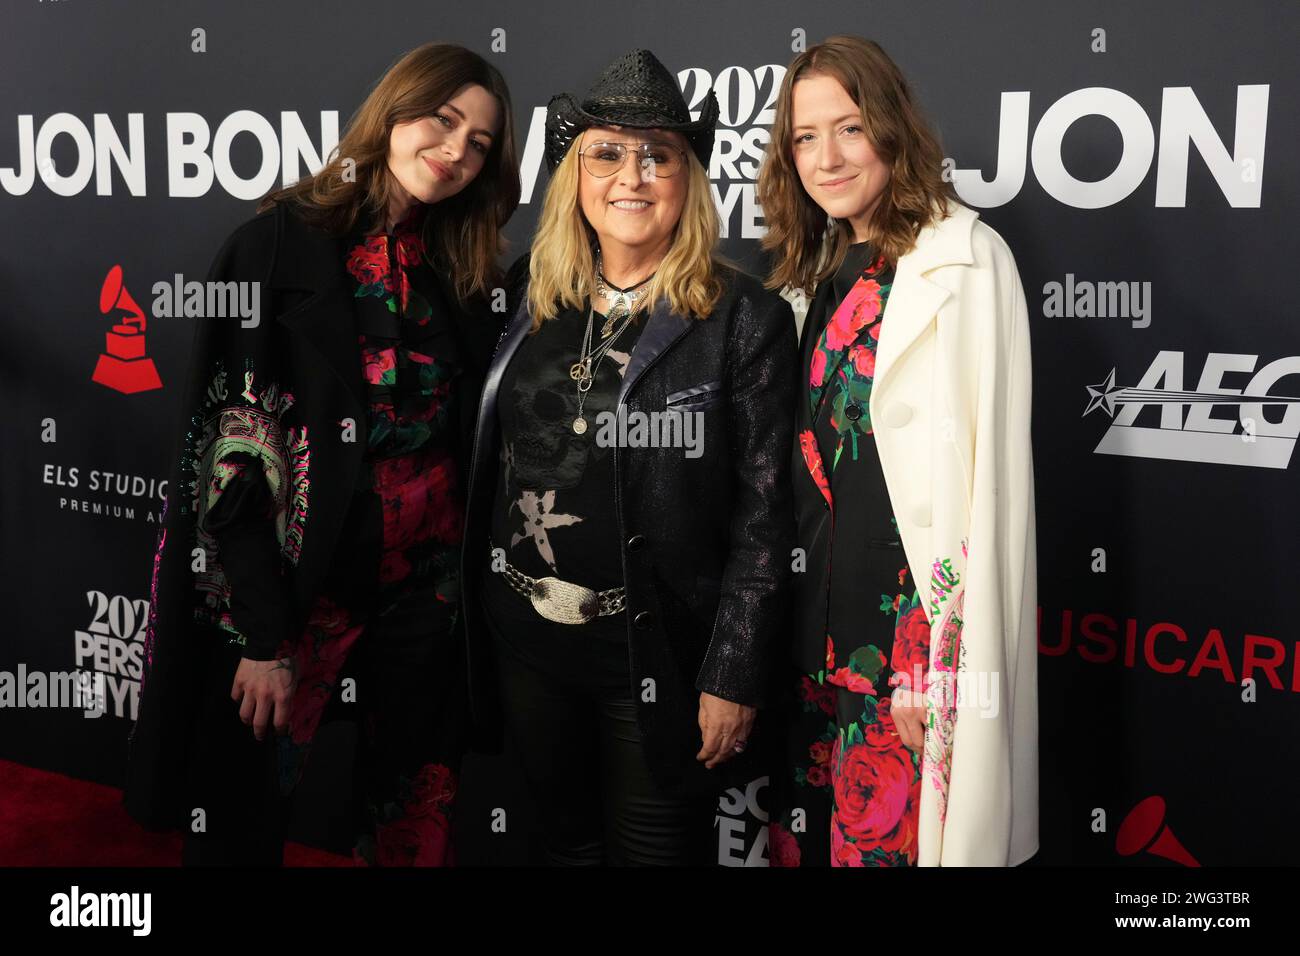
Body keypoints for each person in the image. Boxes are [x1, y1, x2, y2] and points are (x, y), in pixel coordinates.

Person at [123, 42, 520, 866]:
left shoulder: (462, 262)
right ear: (392, 113)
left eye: (479, 142)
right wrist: (262, 637)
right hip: (302, 596)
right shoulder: (273, 249)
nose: (454, 153)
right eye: (442, 122)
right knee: (242, 811)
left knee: (415, 813)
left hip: (427, 597)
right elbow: (229, 460)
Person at [458, 49, 797, 865]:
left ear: (689, 180)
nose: (631, 176)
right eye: (606, 152)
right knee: (561, 841)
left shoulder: (742, 317)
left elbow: (765, 516)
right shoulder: (525, 296)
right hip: (525, 640)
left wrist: (732, 671)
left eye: (659, 156)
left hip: (654, 654)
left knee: (653, 853)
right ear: (575, 174)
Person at [757, 35, 1038, 867]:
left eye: (848, 128)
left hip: (905, 666)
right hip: (816, 649)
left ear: (891, 127)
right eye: (805, 137)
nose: (827, 157)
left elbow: (980, 490)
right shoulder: (818, 273)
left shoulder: (965, 261)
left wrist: (930, 665)